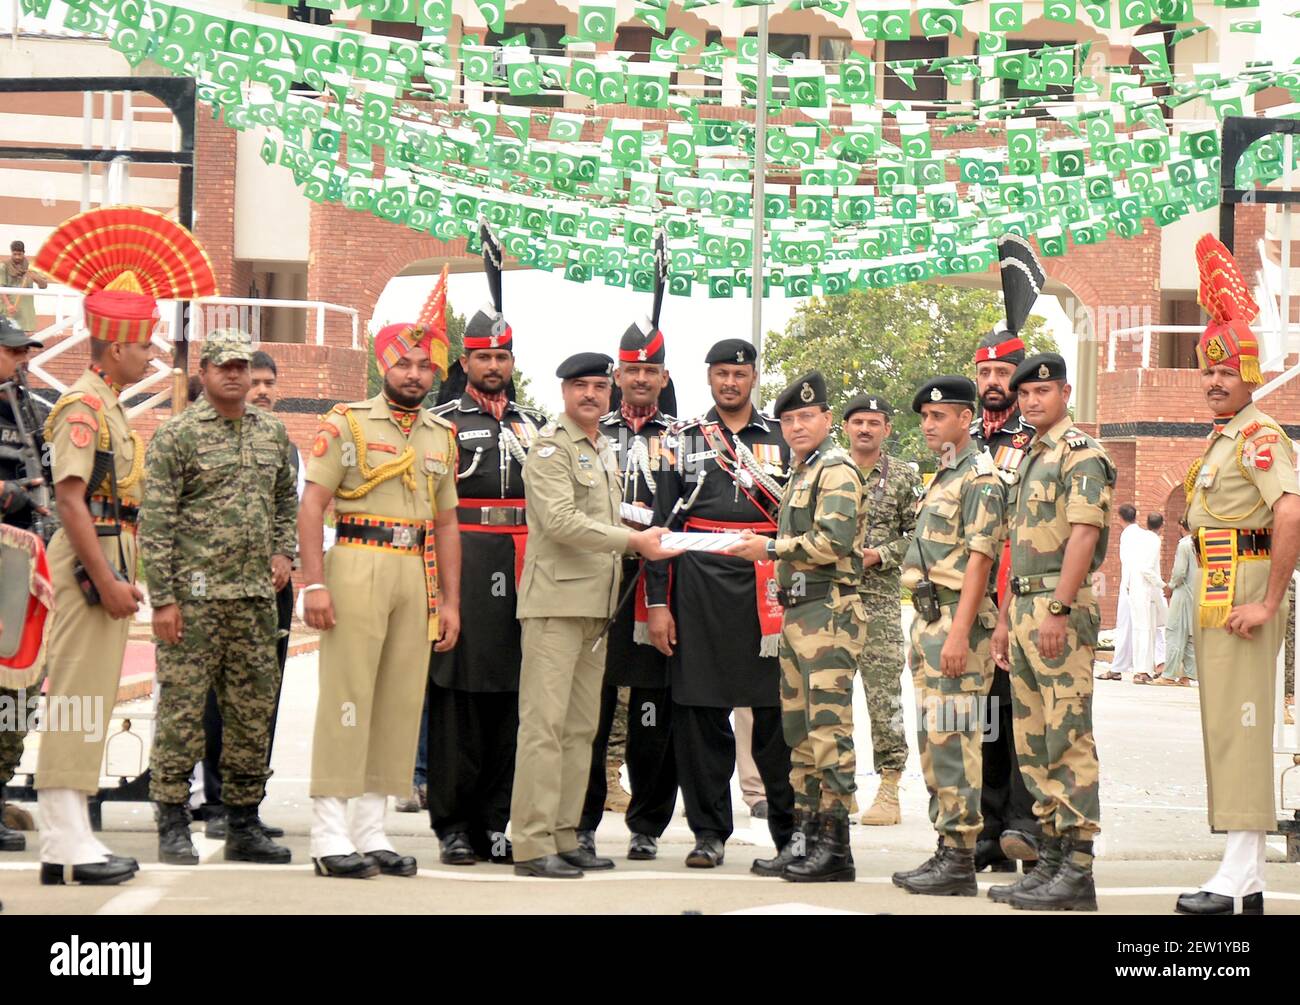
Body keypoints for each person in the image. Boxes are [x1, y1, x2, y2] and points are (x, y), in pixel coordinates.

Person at [33, 206, 216, 886]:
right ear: (115, 347)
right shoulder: (82, 406)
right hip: (88, 563)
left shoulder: (107, 402)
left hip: (106, 557)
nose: (154, 352)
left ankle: (69, 835)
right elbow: (72, 497)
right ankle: (64, 838)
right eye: (144, 343)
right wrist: (106, 575)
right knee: (77, 697)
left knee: (93, 697)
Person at [508, 352, 678, 879]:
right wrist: (635, 541)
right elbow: (560, 522)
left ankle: (564, 835)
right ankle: (533, 843)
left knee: (581, 729)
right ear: (563, 391)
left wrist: (654, 532)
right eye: (580, 385)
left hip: (596, 607)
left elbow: (607, 518)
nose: (590, 394)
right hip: (556, 605)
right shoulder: (550, 447)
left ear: (611, 393)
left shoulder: (601, 448)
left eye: (598, 387)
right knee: (544, 726)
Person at [301, 322, 461, 879]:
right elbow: (313, 504)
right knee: (347, 698)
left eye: (424, 365)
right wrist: (314, 583)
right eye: (404, 364)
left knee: (397, 704)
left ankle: (371, 830)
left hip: (416, 571)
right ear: (383, 366)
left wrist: (451, 602)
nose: (415, 374)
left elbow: (446, 523)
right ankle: (328, 833)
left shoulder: (441, 434)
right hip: (357, 560)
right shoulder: (346, 423)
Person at [1174, 234, 1300, 916]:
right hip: (1221, 591)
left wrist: (1271, 599)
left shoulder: (1259, 435)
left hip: (1249, 590)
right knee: (1226, 727)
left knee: (1245, 728)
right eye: (1209, 372)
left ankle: (1240, 875)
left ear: (1250, 376)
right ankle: (1242, 876)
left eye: (1228, 372)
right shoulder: (1223, 437)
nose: (1216, 381)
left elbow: (1290, 511)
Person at [138, 331, 297, 866]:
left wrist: (283, 552)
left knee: (252, 714)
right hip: (195, 601)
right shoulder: (176, 436)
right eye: (223, 366)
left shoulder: (272, 433)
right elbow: (156, 522)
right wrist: (162, 599)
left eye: (242, 365)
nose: (235, 374)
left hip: (254, 600)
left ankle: (244, 821)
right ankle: (172, 819)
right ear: (203, 373)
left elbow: (284, 500)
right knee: (183, 715)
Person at [646, 339, 796, 871]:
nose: (730, 383)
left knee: (776, 715)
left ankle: (788, 831)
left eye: (740, 374)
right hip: (697, 584)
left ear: (754, 377)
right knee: (700, 713)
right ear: (708, 377)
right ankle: (708, 831)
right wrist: (658, 604)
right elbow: (660, 529)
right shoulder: (677, 440)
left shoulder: (783, 437)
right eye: (721, 374)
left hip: (766, 586)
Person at [427, 237, 546, 866]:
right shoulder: (442, 421)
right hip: (465, 560)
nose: (493, 366)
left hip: (525, 565)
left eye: (501, 356)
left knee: (513, 701)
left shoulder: (532, 424)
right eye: (482, 357)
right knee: (458, 699)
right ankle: (454, 823)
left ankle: (499, 819)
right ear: (466, 362)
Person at [727, 371, 866, 881]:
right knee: (800, 738)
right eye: (787, 419)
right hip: (800, 613)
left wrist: (767, 547)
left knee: (829, 733)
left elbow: (833, 542)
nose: (796, 426)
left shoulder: (836, 470)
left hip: (829, 612)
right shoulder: (804, 472)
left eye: (807, 416)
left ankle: (836, 848)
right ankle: (805, 840)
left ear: (827, 419)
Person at [989, 352, 1114, 912]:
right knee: (1034, 742)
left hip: (1057, 606)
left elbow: (1084, 535)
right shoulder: (1029, 455)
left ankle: (1079, 868)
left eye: (1043, 392)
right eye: (1025, 394)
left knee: (1067, 736)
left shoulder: (1080, 453)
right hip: (1023, 604)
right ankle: (1052, 860)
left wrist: (1060, 610)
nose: (1032, 400)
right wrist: (1004, 623)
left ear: (1064, 392)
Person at [891, 376, 1005, 896]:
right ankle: (947, 846)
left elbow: (981, 558)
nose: (930, 424)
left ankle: (960, 856)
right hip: (929, 624)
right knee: (934, 741)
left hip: (958, 625)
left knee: (956, 741)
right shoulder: (943, 476)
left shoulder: (979, 478)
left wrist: (959, 632)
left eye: (940, 416)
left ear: (967, 418)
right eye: (925, 417)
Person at [579, 288, 679, 863]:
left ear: (664, 377)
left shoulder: (689, 438)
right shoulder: (594, 433)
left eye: (651, 370)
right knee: (590, 710)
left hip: (659, 588)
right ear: (617, 374)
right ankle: (586, 818)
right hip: (598, 580)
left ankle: (647, 824)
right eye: (632, 369)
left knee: (651, 713)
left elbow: (684, 510)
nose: (640, 379)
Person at [198, 349, 294, 840]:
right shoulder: (196, 434)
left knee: (262, 698)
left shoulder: (281, 442)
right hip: (217, 589)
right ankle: (214, 800)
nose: (261, 389)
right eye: (253, 380)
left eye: (268, 381)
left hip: (271, 588)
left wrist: (285, 555)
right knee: (218, 697)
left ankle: (248, 801)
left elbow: (288, 508)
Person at [969, 253, 1043, 871]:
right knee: (984, 721)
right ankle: (988, 829)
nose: (995, 381)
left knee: (1024, 719)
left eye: (1004, 371)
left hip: (1020, 598)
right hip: (974, 600)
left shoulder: (1036, 440)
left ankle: (1025, 825)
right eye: (987, 371)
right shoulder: (964, 442)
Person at [843, 392, 919, 828]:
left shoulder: (905, 477)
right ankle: (840, 787)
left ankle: (888, 788)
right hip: (833, 601)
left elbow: (919, 535)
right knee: (832, 699)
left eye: (874, 422)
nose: (866, 429)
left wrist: (881, 555)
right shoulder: (830, 472)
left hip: (881, 606)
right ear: (846, 427)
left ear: (887, 429)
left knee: (883, 698)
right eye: (858, 422)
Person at [0, 316, 49, 853]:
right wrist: (10, 491)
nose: (23, 361)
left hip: (27, 567)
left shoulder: (34, 413)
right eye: (13, 353)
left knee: (19, 690)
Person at [1098, 504, 1140, 682]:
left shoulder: (1128, 535)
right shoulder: (1141, 533)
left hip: (1130, 585)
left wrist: (1128, 585)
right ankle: (1134, 666)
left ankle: (1117, 668)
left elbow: (1128, 561)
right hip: (1139, 585)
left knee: (1125, 626)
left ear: (1119, 517)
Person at [1155, 517, 1197, 686]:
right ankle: (1188, 676)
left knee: (1175, 632)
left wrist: (1170, 586)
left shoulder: (1185, 544)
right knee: (1191, 635)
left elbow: (1179, 572)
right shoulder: (1200, 543)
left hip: (1183, 592)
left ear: (1181, 526)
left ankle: (1169, 674)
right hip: (1197, 592)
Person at [1131, 513, 1170, 684]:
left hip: (1136, 588)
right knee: (1145, 631)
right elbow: (1147, 569)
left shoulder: (1140, 539)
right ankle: (1141, 671)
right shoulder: (1154, 540)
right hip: (1146, 589)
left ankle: (1143, 669)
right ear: (1162, 526)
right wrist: (1164, 585)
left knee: (1143, 630)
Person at [1, 241, 49, 336]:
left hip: (26, 313)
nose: (17, 257)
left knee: (25, 342)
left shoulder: (31, 267)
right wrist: (8, 305)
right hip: (9, 310)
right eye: (15, 254)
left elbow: (44, 286)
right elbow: (1, 288)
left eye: (20, 254)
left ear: (24, 252)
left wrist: (34, 276)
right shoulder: (4, 266)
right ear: (11, 253)